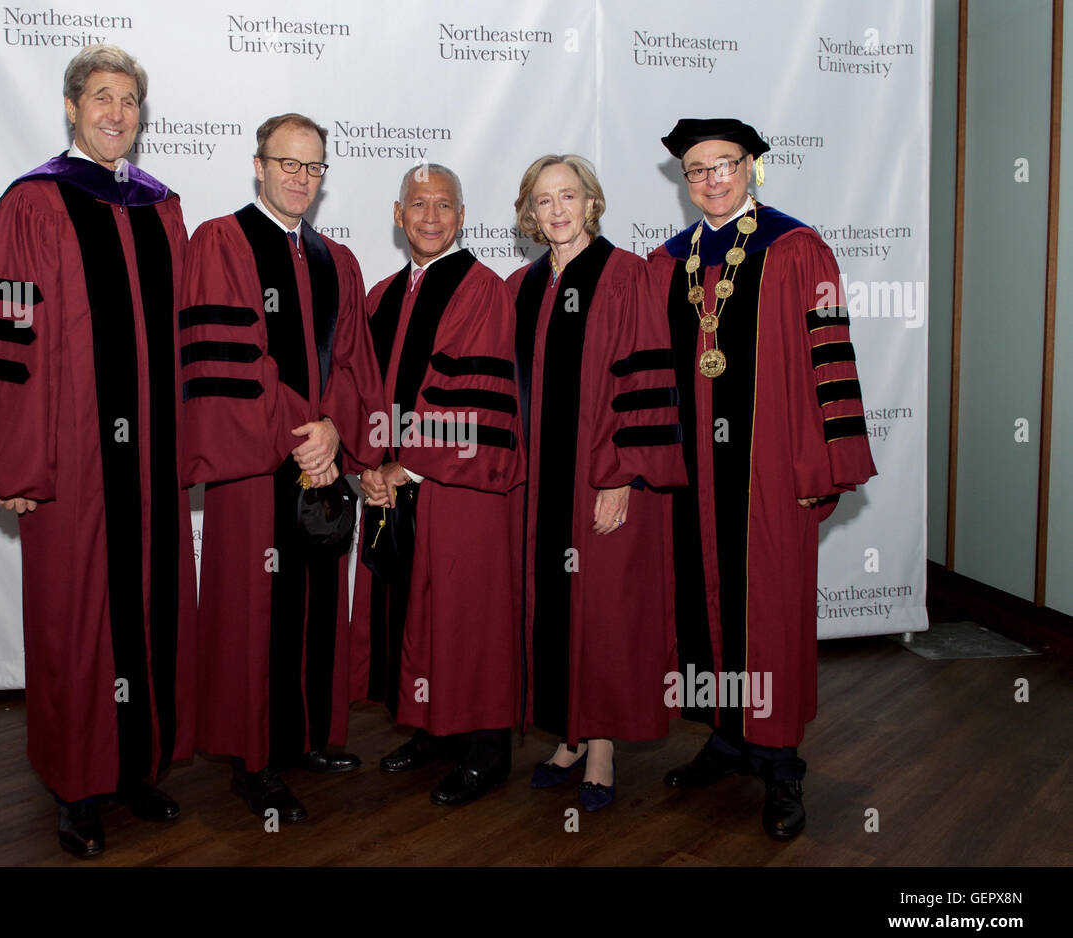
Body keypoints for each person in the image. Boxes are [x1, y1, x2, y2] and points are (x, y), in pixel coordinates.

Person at [0, 45, 195, 858]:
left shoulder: (163, 210)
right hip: (72, 463)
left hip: (148, 465)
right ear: (70, 107)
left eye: (128, 100)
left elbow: (185, 350)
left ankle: (135, 766)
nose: (115, 113)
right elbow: (5, 339)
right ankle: (76, 786)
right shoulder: (33, 203)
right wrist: (18, 468)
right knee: (74, 619)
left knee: (149, 606)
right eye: (100, 97)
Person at [647, 118, 876, 838]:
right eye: (697, 170)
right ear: (683, 182)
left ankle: (778, 760)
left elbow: (830, 357)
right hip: (694, 476)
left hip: (769, 470)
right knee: (701, 604)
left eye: (726, 165)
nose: (712, 180)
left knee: (766, 612)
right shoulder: (668, 259)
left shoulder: (797, 247)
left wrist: (825, 463)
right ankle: (724, 736)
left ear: (754, 168)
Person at [180, 113, 382, 823]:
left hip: (318, 465)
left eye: (313, 167)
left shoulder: (338, 261)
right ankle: (254, 758)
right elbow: (232, 360)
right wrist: (304, 433)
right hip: (254, 466)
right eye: (287, 163)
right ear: (258, 165)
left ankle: (306, 736)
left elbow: (356, 364)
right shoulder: (221, 242)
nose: (300, 178)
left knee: (319, 596)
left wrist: (336, 431)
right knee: (254, 609)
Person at [506, 155, 686, 811]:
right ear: (531, 211)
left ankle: (603, 747)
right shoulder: (521, 287)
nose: (557, 210)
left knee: (607, 612)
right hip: (540, 493)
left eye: (569, 196)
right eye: (544, 199)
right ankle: (570, 735)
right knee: (554, 609)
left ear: (592, 203)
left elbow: (647, 382)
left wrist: (623, 477)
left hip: (604, 483)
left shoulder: (625, 275)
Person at [352, 164, 524, 806]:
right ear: (398, 216)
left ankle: (484, 750)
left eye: (443, 205)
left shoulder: (484, 291)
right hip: (391, 488)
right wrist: (365, 464)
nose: (430, 217)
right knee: (412, 612)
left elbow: (477, 399)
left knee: (466, 614)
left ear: (462, 217)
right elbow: (362, 389)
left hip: (460, 488)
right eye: (417, 205)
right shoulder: (381, 295)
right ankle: (429, 726)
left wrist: (407, 465)